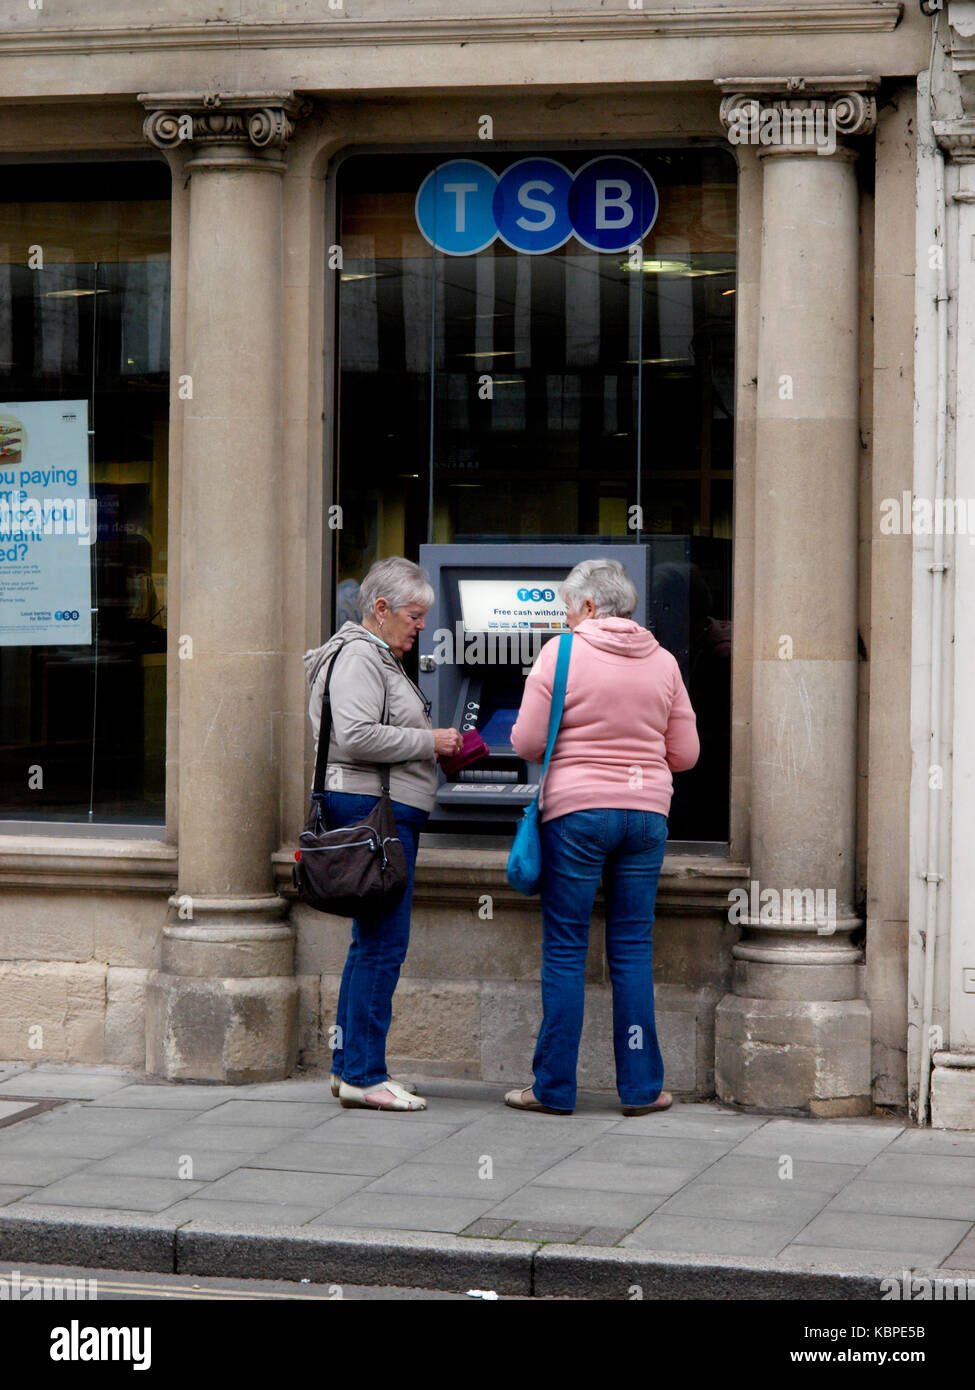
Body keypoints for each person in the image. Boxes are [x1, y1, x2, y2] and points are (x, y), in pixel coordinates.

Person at [506, 559, 700, 1117]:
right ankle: (642, 1090)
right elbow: (685, 755)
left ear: (589, 606)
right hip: (645, 819)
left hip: (578, 814)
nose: (567, 620)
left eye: (569, 609)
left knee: (566, 951)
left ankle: (553, 1089)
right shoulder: (664, 662)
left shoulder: (561, 653)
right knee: (633, 951)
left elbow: (524, 741)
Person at [303, 556, 463, 1112]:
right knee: (383, 946)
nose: (421, 626)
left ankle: (351, 1069)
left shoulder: (374, 657)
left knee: (370, 944)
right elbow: (357, 734)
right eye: (415, 615)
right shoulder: (358, 658)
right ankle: (367, 1076)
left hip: (379, 811)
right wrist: (433, 743)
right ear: (380, 609)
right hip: (372, 814)